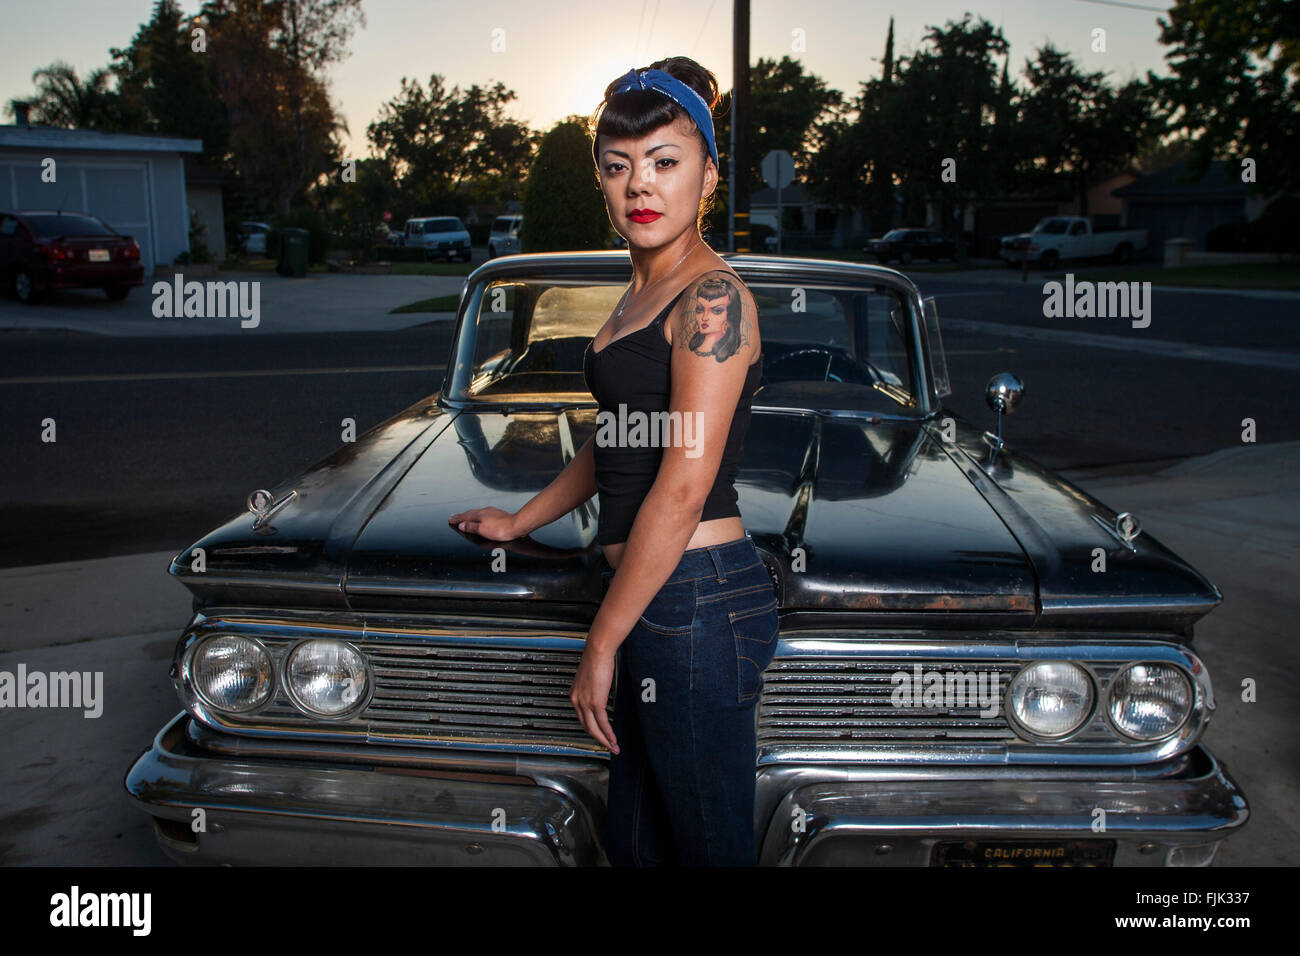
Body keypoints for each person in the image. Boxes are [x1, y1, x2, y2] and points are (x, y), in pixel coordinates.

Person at [447, 55, 776, 866]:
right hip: (650, 596)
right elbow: (624, 438)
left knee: (707, 850)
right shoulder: (639, 294)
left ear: (707, 177)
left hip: (692, 601)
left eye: (666, 163)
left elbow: (685, 483)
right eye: (620, 167)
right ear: (600, 181)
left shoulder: (712, 297)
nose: (642, 186)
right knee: (636, 844)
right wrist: (521, 518)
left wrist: (600, 642)